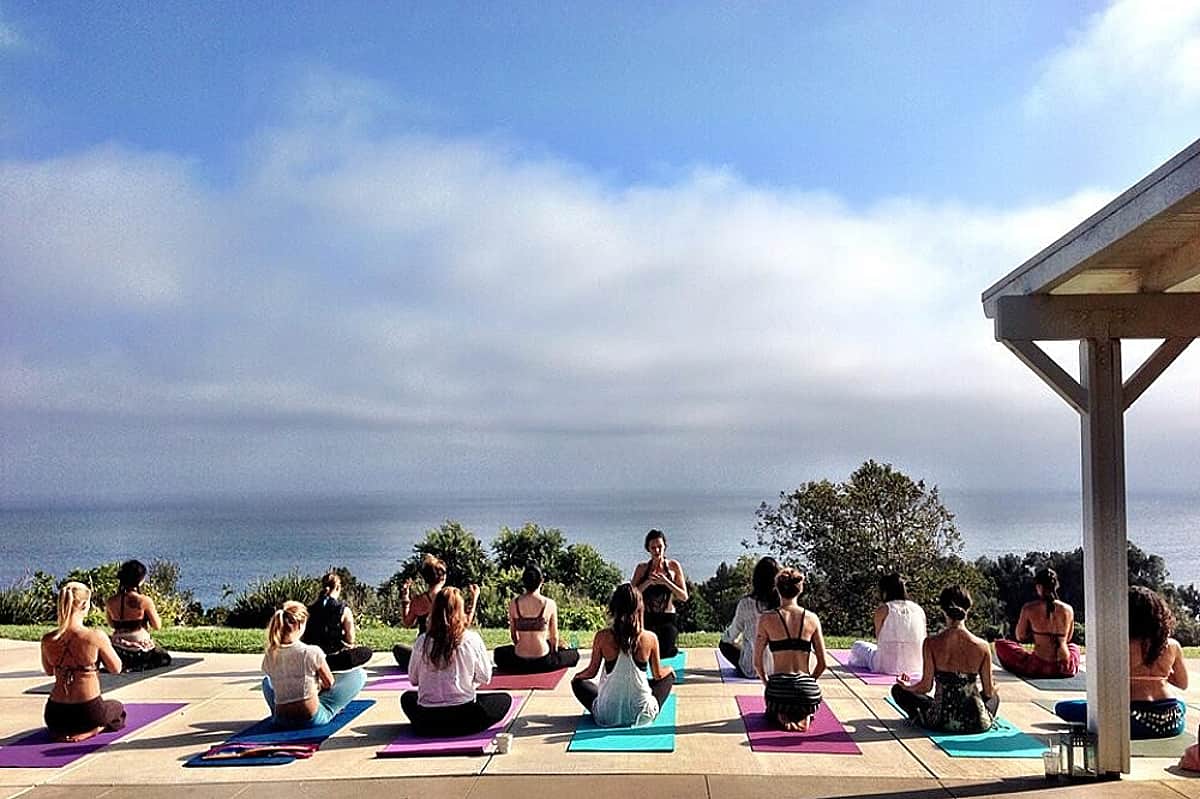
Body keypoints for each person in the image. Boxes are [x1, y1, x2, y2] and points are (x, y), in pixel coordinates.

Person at [1054, 586, 1189, 739]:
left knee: (1063, 707)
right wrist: (1159, 670)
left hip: (1132, 720)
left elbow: (1102, 684)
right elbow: (1182, 683)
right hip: (1171, 720)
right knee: (1181, 706)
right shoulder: (1172, 645)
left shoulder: (1119, 645)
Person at [400, 587, 513, 737]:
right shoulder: (471, 639)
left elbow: (413, 680)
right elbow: (485, 677)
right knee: (504, 699)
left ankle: (437, 727)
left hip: (427, 720)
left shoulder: (422, 641)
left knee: (407, 698)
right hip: (463, 718)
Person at [891, 585, 999, 734]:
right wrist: (994, 687)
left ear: (943, 610)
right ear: (968, 609)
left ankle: (919, 715)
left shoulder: (931, 643)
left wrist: (907, 686)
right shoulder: (983, 646)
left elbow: (925, 687)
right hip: (976, 723)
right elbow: (988, 692)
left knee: (898, 691)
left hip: (940, 721)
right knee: (995, 698)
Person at [571, 583, 676, 727]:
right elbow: (658, 675)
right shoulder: (650, 638)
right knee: (667, 678)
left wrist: (576, 677)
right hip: (642, 715)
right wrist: (669, 670)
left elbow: (591, 672)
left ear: (614, 608)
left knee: (578, 684)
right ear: (640, 608)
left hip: (606, 716)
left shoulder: (602, 637)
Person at [40, 582, 126, 742]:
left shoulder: (48, 639)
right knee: (117, 707)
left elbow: (49, 671)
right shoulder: (95, 636)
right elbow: (116, 668)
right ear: (85, 605)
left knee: (102, 710)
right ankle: (94, 729)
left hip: (54, 715)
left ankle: (70, 731)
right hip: (88, 713)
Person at [260, 601, 366, 729]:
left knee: (267, 682)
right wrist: (317, 687)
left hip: (280, 720)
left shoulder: (270, 655)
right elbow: (329, 683)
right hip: (311, 719)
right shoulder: (311, 651)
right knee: (359, 675)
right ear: (300, 624)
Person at [752, 568, 826, 731]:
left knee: (775, 701)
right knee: (806, 697)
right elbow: (822, 663)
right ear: (800, 589)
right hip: (807, 692)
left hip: (779, 688)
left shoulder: (766, 619)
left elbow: (757, 662)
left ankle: (781, 713)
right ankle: (805, 713)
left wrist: (767, 683)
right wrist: (808, 682)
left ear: (777, 589)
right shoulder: (812, 619)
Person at [492, 562, 580, 674]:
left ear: (523, 582)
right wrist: (553, 655)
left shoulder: (514, 604)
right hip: (543, 661)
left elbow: (514, 636)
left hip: (520, 660)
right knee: (574, 654)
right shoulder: (549, 604)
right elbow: (554, 637)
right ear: (541, 581)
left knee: (499, 653)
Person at [994, 567, 1080, 679]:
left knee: (1001, 645)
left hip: (1038, 666)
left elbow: (1020, 636)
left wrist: (1037, 635)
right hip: (1064, 667)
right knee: (1074, 648)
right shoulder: (1069, 609)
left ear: (1039, 587)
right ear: (1055, 586)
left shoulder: (1029, 608)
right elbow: (1068, 639)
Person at [394, 555, 476, 671]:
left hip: (426, 651)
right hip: (449, 651)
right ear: (443, 577)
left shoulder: (418, 601)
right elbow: (466, 622)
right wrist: (474, 598)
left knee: (399, 649)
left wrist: (405, 598)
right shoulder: (450, 598)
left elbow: (407, 622)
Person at [848, 573, 927, 678]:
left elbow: (879, 638)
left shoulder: (883, 609)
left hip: (886, 666)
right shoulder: (918, 609)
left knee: (857, 645)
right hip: (916, 666)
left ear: (885, 591)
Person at [105, 559, 172, 671]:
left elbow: (112, 624)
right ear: (140, 580)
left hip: (117, 649)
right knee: (164, 657)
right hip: (140, 649)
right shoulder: (144, 601)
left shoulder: (110, 601)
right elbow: (157, 625)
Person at [719, 556, 780, 680]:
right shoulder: (784, 604)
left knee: (724, 644)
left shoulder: (746, 604)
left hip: (751, 669)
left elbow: (731, 635)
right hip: (779, 669)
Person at [630, 529, 687, 658]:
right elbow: (631, 596)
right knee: (644, 652)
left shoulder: (673, 566)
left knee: (665, 653)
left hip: (667, 618)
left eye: (660, 547)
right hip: (646, 617)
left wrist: (667, 582)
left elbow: (684, 596)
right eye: (653, 548)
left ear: (665, 547)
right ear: (648, 549)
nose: (657, 551)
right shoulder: (642, 568)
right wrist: (647, 582)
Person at [301, 572, 373, 671]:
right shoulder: (343, 610)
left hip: (312, 658)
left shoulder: (309, 609)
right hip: (332, 658)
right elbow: (350, 639)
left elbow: (303, 636)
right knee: (366, 652)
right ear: (338, 588)